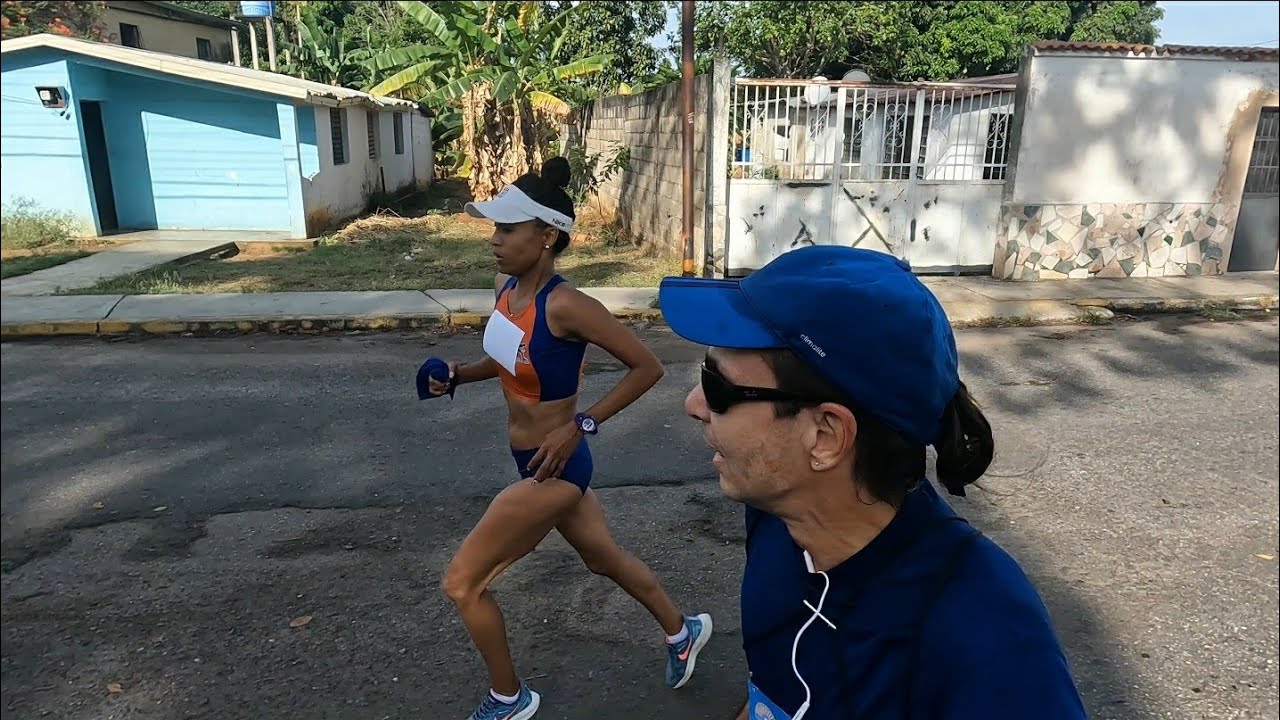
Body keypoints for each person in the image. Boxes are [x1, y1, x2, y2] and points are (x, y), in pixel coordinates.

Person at [658, 246, 1086, 720]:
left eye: (718, 386)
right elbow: (775, 695)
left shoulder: (988, 634)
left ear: (825, 435)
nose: (694, 404)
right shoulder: (780, 517)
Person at [418, 157, 712, 720]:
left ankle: (511, 699)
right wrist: (456, 373)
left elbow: (646, 366)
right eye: (495, 228)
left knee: (463, 584)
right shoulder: (506, 290)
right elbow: (507, 359)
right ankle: (682, 631)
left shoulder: (567, 304)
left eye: (508, 229)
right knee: (604, 559)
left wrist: (583, 424)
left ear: (547, 236)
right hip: (531, 457)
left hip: (555, 469)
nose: (495, 240)